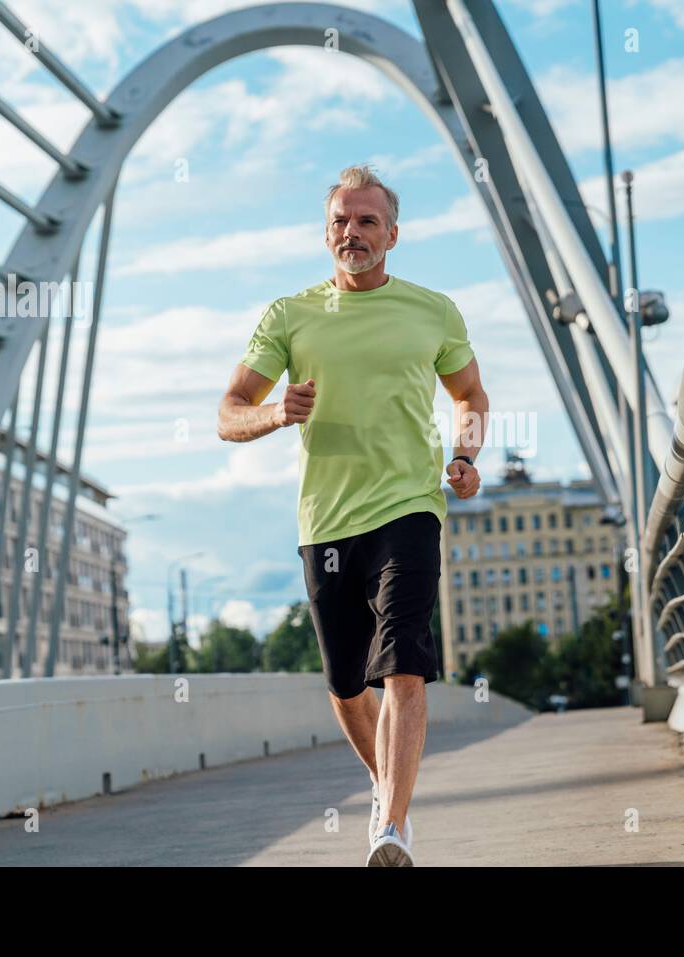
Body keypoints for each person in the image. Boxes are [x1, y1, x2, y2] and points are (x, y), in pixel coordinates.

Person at [217, 164, 489, 866]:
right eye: (342, 220)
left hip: (408, 507)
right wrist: (276, 412)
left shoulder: (433, 310)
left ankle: (391, 828)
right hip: (327, 521)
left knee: (403, 665)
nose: (353, 231)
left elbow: (470, 397)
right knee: (345, 683)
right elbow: (228, 412)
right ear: (326, 232)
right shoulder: (289, 315)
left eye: (368, 220)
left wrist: (465, 455)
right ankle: (385, 788)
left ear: (393, 233)